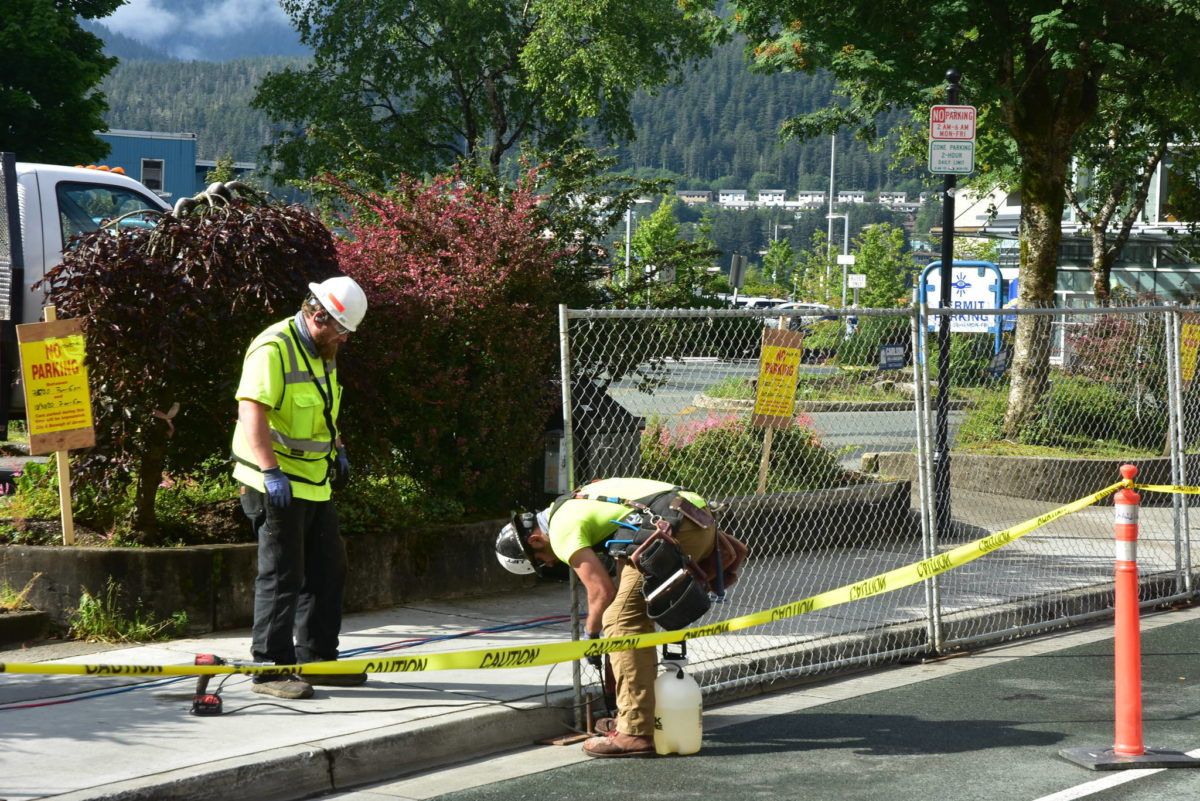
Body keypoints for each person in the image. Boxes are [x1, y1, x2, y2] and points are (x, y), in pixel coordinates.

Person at [495, 478, 716, 757]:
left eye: (540, 560)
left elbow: (601, 591)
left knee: (622, 621)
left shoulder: (561, 530)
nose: (549, 564)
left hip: (672, 527)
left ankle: (635, 732)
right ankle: (634, 717)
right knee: (630, 616)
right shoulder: (572, 503)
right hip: (693, 517)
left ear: (535, 539)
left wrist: (592, 634)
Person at [230, 275, 369, 699]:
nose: (344, 339)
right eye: (341, 329)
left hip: (313, 478)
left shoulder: (322, 348)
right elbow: (252, 410)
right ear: (317, 315)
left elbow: (324, 404)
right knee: (282, 574)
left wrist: (338, 448)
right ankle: (270, 670)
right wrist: (271, 472)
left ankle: (317, 658)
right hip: (272, 480)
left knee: (329, 570)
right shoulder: (272, 347)